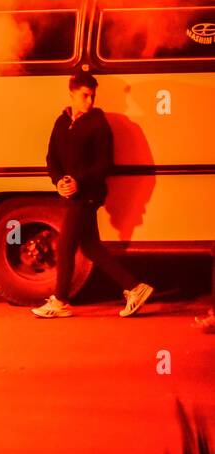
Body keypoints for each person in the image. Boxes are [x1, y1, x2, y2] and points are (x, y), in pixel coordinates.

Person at [33, 72, 155, 318]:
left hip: (88, 194)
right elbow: (51, 158)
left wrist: (79, 181)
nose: (89, 101)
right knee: (90, 247)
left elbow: (105, 164)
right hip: (70, 194)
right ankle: (135, 287)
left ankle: (60, 301)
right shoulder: (61, 122)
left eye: (92, 96)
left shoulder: (98, 123)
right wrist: (58, 182)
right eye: (84, 96)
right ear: (72, 94)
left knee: (66, 245)